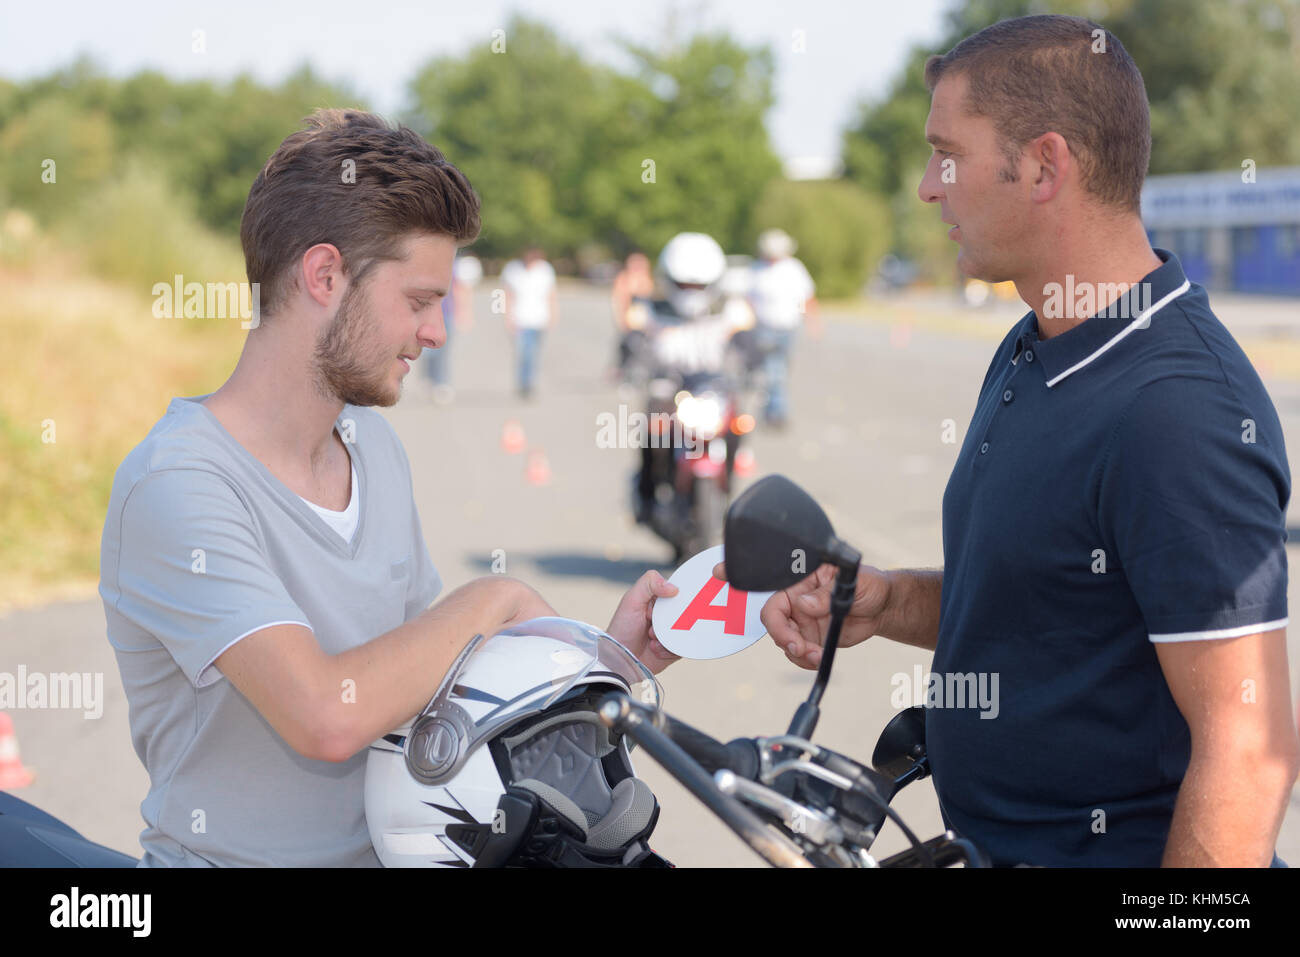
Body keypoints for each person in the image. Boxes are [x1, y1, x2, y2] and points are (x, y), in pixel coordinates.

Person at [719, 15, 1298, 867]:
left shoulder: (1178, 410)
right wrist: (892, 602)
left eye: (946, 154)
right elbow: (1066, 604)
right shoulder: (1038, 340)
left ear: (1044, 165)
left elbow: (1247, 752)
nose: (926, 185)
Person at [98, 109, 680, 867]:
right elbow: (324, 715)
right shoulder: (177, 484)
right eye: (418, 299)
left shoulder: (369, 441)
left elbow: (430, 679)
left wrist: (594, 656)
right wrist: (493, 597)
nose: (437, 332)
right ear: (324, 275)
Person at [748, 228, 821, 427]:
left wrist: (812, 322)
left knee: (779, 369)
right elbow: (750, 300)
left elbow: (806, 298)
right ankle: (777, 412)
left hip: (787, 327)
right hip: (765, 327)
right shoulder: (758, 269)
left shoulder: (793, 268)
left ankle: (772, 407)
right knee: (774, 370)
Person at [421, 253, 480, 405]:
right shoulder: (423, 261)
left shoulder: (454, 264)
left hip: (446, 314)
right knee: (427, 352)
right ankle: (429, 377)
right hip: (426, 315)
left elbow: (461, 289)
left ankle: (441, 384)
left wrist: (465, 313)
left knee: (442, 351)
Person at [501, 246, 557, 399]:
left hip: (539, 319)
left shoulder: (545, 270)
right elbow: (507, 295)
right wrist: (508, 318)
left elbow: (551, 294)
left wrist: (553, 315)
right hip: (520, 319)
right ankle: (524, 383)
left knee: (534, 353)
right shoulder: (513, 269)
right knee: (524, 353)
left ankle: (530, 381)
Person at [610, 250, 655, 384]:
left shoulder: (646, 278)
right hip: (630, 319)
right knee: (628, 347)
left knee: (644, 349)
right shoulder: (624, 279)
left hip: (643, 321)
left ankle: (638, 374)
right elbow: (619, 300)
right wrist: (621, 319)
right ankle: (623, 373)